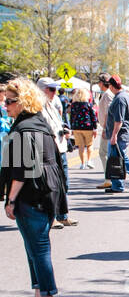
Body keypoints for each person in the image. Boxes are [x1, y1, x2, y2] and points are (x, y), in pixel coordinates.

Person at [0, 78, 65, 297]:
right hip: (49, 191)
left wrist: (11, 200)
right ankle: (39, 296)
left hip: (32, 194)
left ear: (22, 101)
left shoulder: (24, 128)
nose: (5, 105)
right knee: (34, 247)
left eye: (10, 101)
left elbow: (21, 170)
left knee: (38, 248)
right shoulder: (40, 123)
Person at [37, 78, 77, 227]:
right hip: (48, 150)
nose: (54, 92)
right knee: (51, 186)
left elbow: (58, 123)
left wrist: (65, 130)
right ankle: (51, 217)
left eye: (54, 89)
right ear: (42, 89)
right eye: (51, 89)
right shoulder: (37, 107)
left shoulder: (51, 104)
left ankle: (62, 215)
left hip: (60, 148)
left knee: (63, 184)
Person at [104, 76, 129, 193]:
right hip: (123, 133)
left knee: (119, 159)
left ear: (112, 86)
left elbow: (119, 120)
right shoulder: (126, 96)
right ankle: (120, 183)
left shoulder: (120, 99)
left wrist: (114, 135)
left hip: (120, 134)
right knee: (119, 158)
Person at [68, 87, 98, 168]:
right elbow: (93, 117)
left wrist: (71, 128)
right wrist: (95, 128)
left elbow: (71, 117)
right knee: (89, 145)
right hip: (88, 126)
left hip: (77, 127)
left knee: (80, 146)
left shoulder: (73, 105)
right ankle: (89, 161)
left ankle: (82, 163)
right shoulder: (88, 104)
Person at [95, 73, 114, 187]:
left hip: (107, 128)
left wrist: (105, 128)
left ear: (102, 83)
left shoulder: (107, 95)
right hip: (107, 127)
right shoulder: (107, 94)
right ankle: (110, 178)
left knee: (103, 153)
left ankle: (109, 179)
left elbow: (108, 112)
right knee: (106, 153)